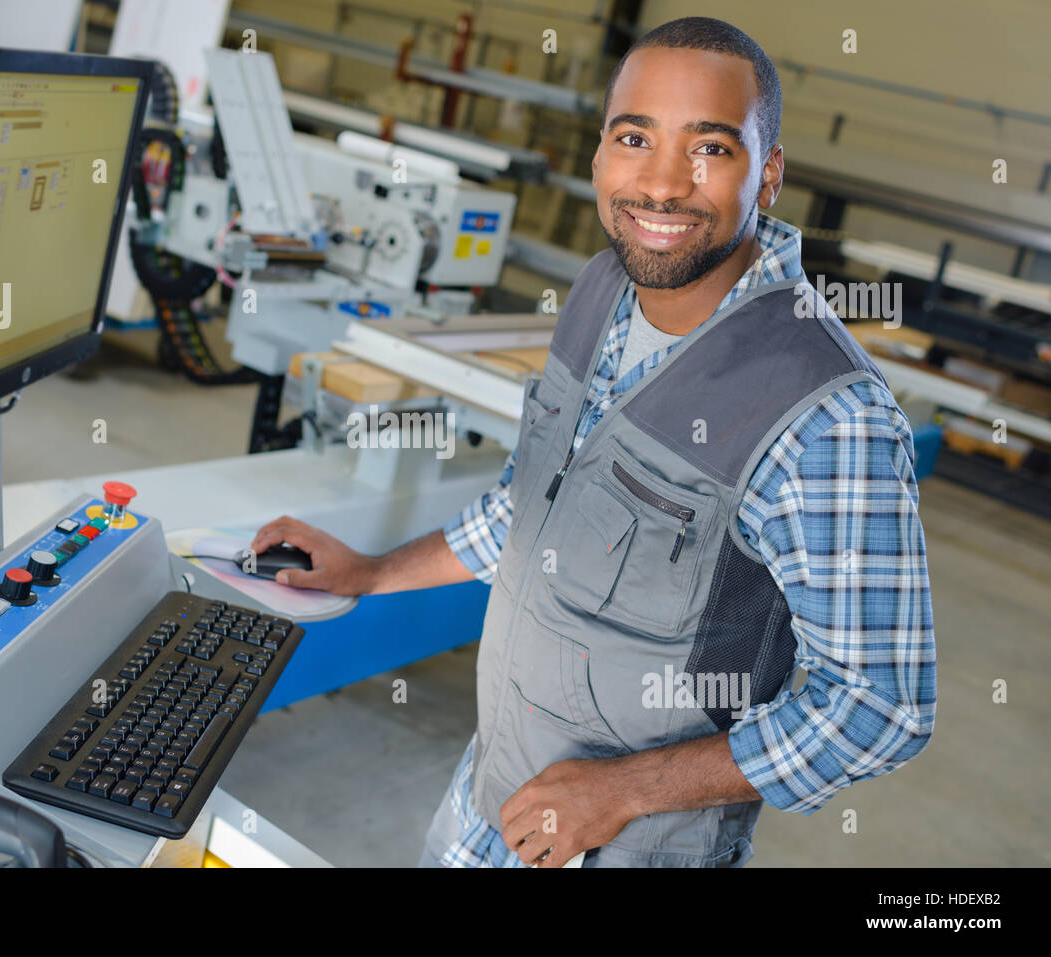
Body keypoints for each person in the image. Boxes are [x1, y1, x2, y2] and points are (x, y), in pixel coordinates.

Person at [250, 16, 936, 867]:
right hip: (487, 803)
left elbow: (881, 705)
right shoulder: (601, 288)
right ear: (599, 152)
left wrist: (624, 790)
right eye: (634, 136)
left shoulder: (827, 416)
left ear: (769, 176)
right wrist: (374, 570)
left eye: (711, 149)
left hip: (629, 847)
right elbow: (532, 504)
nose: (661, 184)